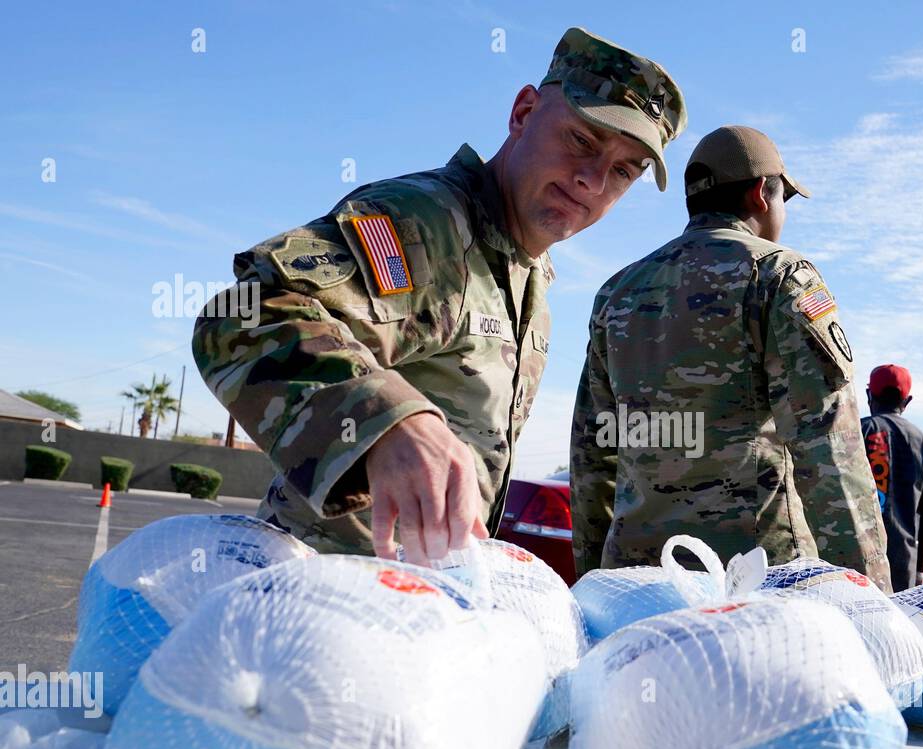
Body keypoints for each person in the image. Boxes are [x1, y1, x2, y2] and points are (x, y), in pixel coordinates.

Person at [192, 28, 686, 564]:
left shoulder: (530, 273)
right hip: (324, 594)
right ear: (523, 112)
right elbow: (244, 314)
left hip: (415, 609)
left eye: (623, 171)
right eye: (581, 140)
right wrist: (391, 421)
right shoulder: (425, 223)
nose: (592, 180)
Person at [569, 125, 891, 588]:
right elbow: (829, 450)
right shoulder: (778, 276)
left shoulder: (617, 291)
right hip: (753, 585)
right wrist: (874, 602)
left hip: (639, 585)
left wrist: (596, 581)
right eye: (785, 199)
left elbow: (592, 452)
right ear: (763, 194)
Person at [860, 365, 923, 593]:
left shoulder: (858, 432)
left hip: (854, 567)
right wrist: (919, 572)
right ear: (907, 401)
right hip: (901, 573)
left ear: (869, 395)